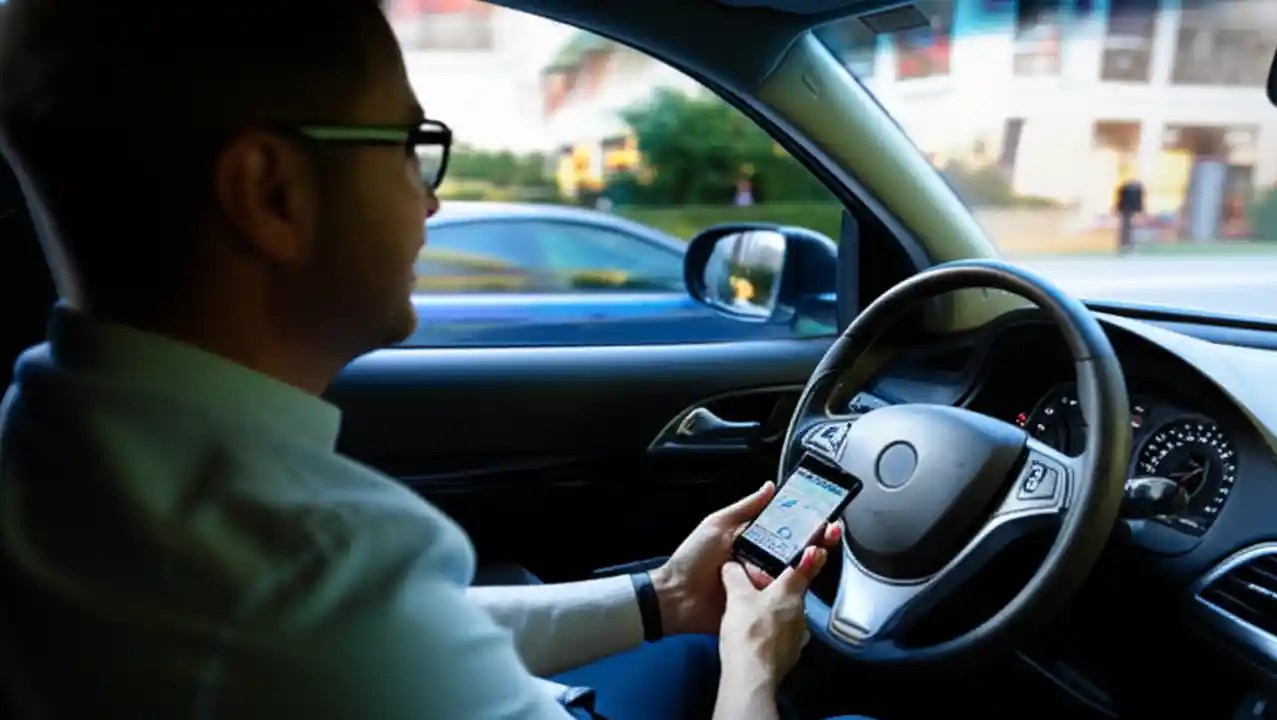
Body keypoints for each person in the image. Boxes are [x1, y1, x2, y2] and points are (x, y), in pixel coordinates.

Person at [0, 2, 848, 718]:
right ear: (272, 192)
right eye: (408, 145)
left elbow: (411, 625)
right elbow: (364, 622)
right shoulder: (301, 579)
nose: (432, 195)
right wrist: (753, 661)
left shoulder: (51, 447)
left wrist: (660, 599)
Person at [1114, 177, 1145, 254]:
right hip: (1127, 211)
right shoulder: (1129, 189)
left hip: (1128, 210)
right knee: (1127, 229)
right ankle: (1126, 245)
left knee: (1130, 229)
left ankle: (1129, 245)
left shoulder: (1131, 189)